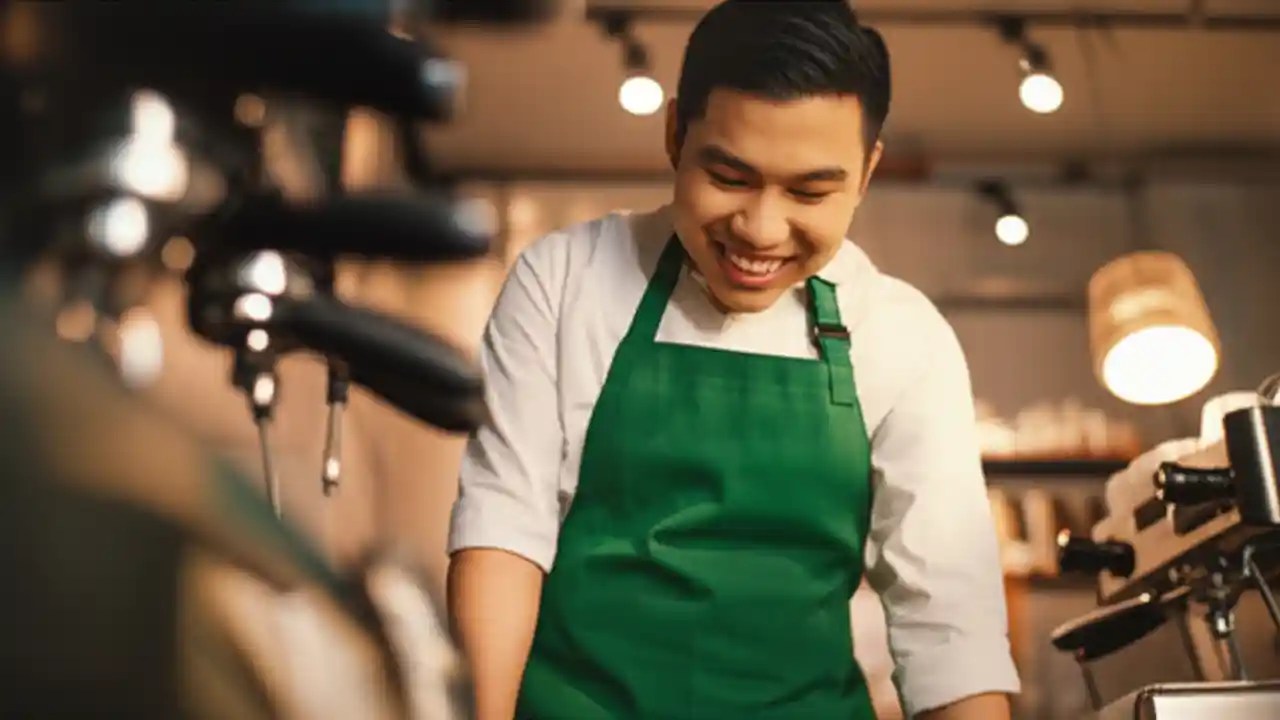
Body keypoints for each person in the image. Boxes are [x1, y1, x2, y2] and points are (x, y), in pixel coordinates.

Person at [446, 1, 1021, 718]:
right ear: (674, 135)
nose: (760, 229)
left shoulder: (903, 335)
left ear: (867, 172)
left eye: (811, 191)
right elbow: (504, 534)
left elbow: (949, 627)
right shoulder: (566, 281)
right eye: (730, 178)